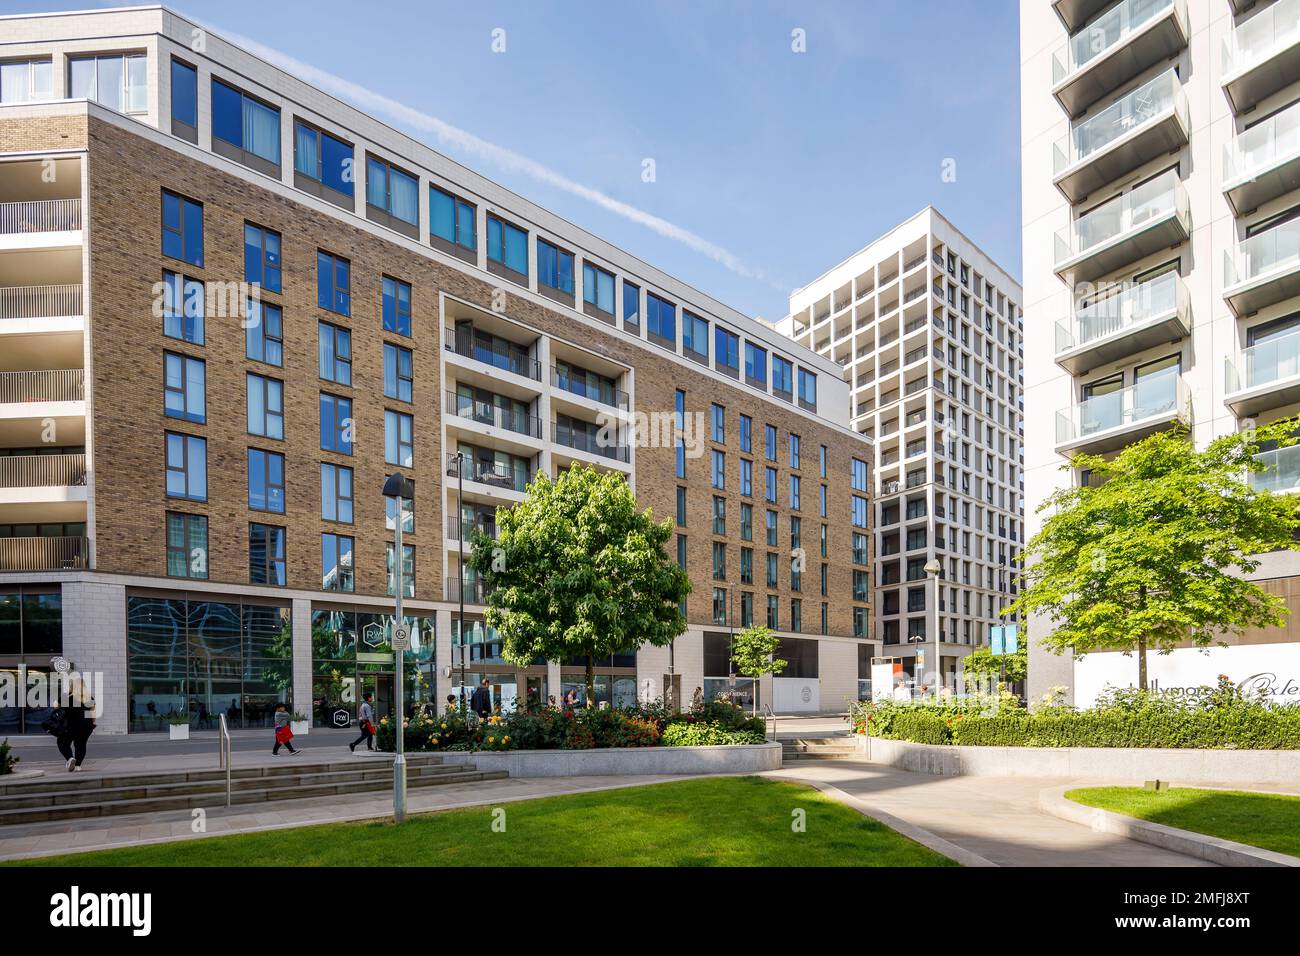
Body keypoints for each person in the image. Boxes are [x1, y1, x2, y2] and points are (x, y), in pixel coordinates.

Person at [48, 677, 96, 772]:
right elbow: (93, 714)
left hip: (70, 725)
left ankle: (70, 758)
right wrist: (91, 723)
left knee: (62, 742)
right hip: (86, 725)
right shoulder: (89, 698)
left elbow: (55, 706)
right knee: (81, 744)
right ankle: (78, 766)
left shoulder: (66, 697)